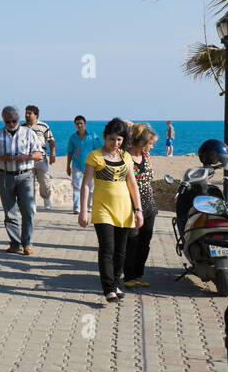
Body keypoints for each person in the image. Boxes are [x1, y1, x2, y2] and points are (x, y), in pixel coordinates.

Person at [78, 117, 145, 303]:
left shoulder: (125, 157)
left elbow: (133, 184)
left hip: (124, 209)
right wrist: (83, 211)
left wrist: (138, 210)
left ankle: (116, 283)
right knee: (107, 249)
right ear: (104, 137)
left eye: (119, 140)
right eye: (111, 139)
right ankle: (108, 288)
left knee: (121, 252)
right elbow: (85, 185)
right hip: (102, 210)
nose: (115, 143)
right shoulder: (95, 156)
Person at [0, 105, 45, 254]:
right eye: (8, 122)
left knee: (28, 210)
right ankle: (15, 243)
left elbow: (39, 154)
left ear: (18, 119)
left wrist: (27, 156)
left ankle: (27, 243)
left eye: (14, 121)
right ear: (3, 120)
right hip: (5, 176)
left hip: (25, 175)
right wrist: (1, 158)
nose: (12, 124)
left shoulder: (28, 133)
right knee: (10, 212)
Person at [123, 123, 159, 288]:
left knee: (145, 241)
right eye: (150, 144)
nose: (151, 147)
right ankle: (128, 276)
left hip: (148, 204)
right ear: (141, 143)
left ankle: (139, 274)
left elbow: (149, 179)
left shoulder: (147, 157)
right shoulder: (126, 157)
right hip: (130, 204)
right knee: (132, 240)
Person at [24, 104, 56, 210]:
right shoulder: (22, 128)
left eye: (30, 113)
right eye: (26, 113)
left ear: (36, 115)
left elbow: (51, 141)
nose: (27, 115)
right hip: (27, 160)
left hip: (41, 159)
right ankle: (31, 203)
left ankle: (46, 198)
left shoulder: (44, 126)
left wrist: (52, 154)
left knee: (44, 181)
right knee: (28, 183)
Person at [66, 115, 99, 214]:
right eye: (77, 124)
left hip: (91, 165)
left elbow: (98, 150)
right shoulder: (73, 137)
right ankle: (77, 207)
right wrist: (68, 166)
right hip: (77, 165)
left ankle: (89, 206)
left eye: (81, 123)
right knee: (77, 186)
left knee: (91, 187)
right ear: (75, 125)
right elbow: (70, 152)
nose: (79, 125)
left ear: (85, 124)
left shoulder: (92, 136)